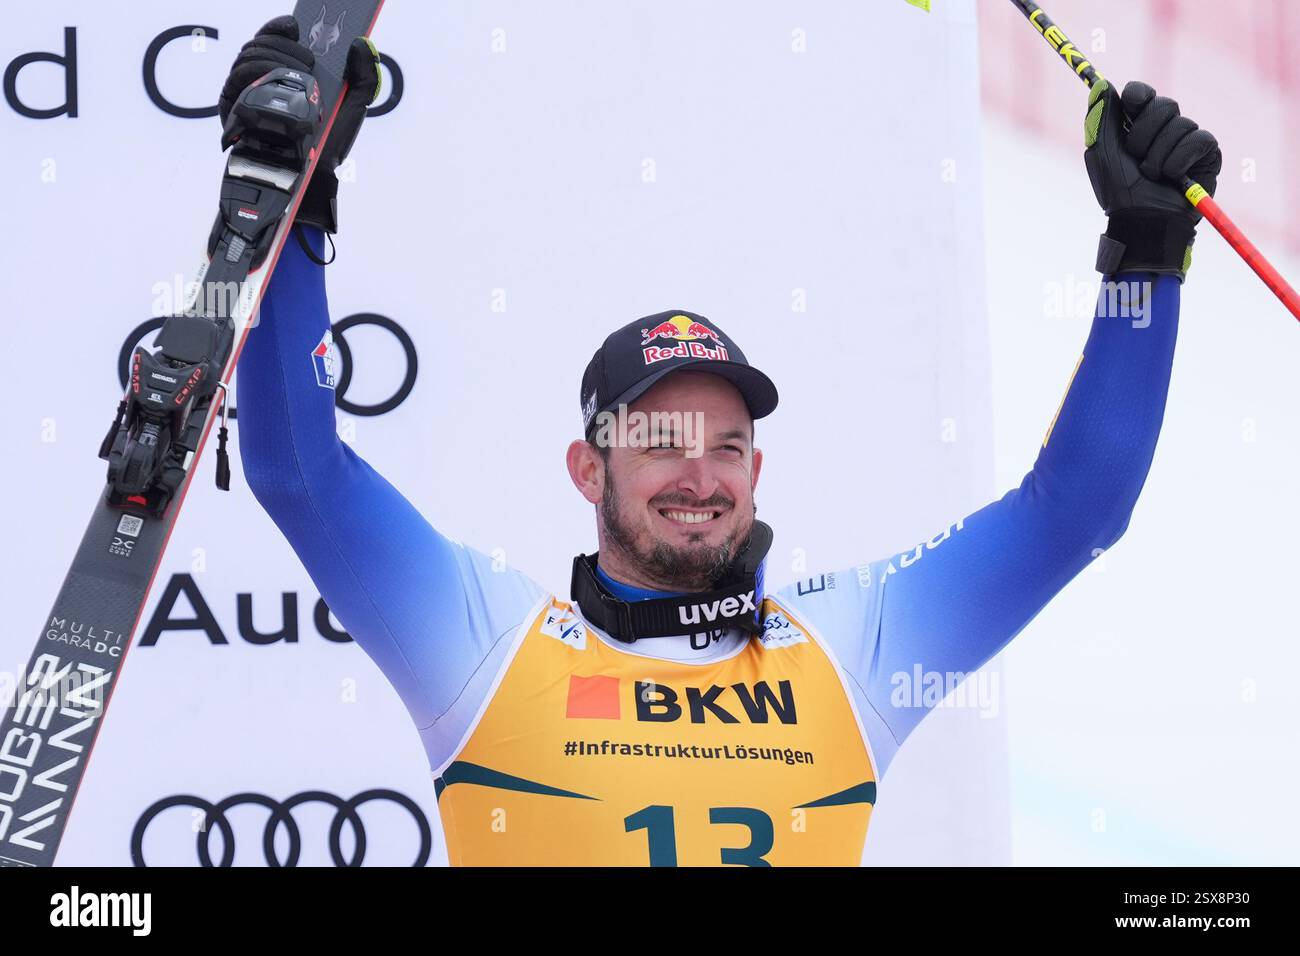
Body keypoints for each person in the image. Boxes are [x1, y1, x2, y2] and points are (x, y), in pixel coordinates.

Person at [229, 18, 1221, 865]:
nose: (699, 474)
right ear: (588, 467)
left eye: (729, 447)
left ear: (757, 470)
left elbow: (1075, 511)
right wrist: (293, 205)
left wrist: (1145, 256)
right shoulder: (486, 642)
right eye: (661, 439)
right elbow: (301, 477)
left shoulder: (851, 648)